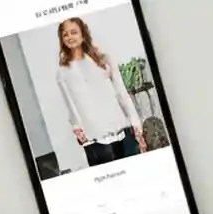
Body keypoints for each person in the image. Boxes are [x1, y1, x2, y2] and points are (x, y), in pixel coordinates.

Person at [54, 17, 146, 167]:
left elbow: (121, 92)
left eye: (74, 32)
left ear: (83, 34)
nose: (70, 37)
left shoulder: (103, 59)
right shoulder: (63, 72)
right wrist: (77, 128)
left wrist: (135, 123)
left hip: (120, 129)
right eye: (65, 34)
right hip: (94, 136)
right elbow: (70, 105)